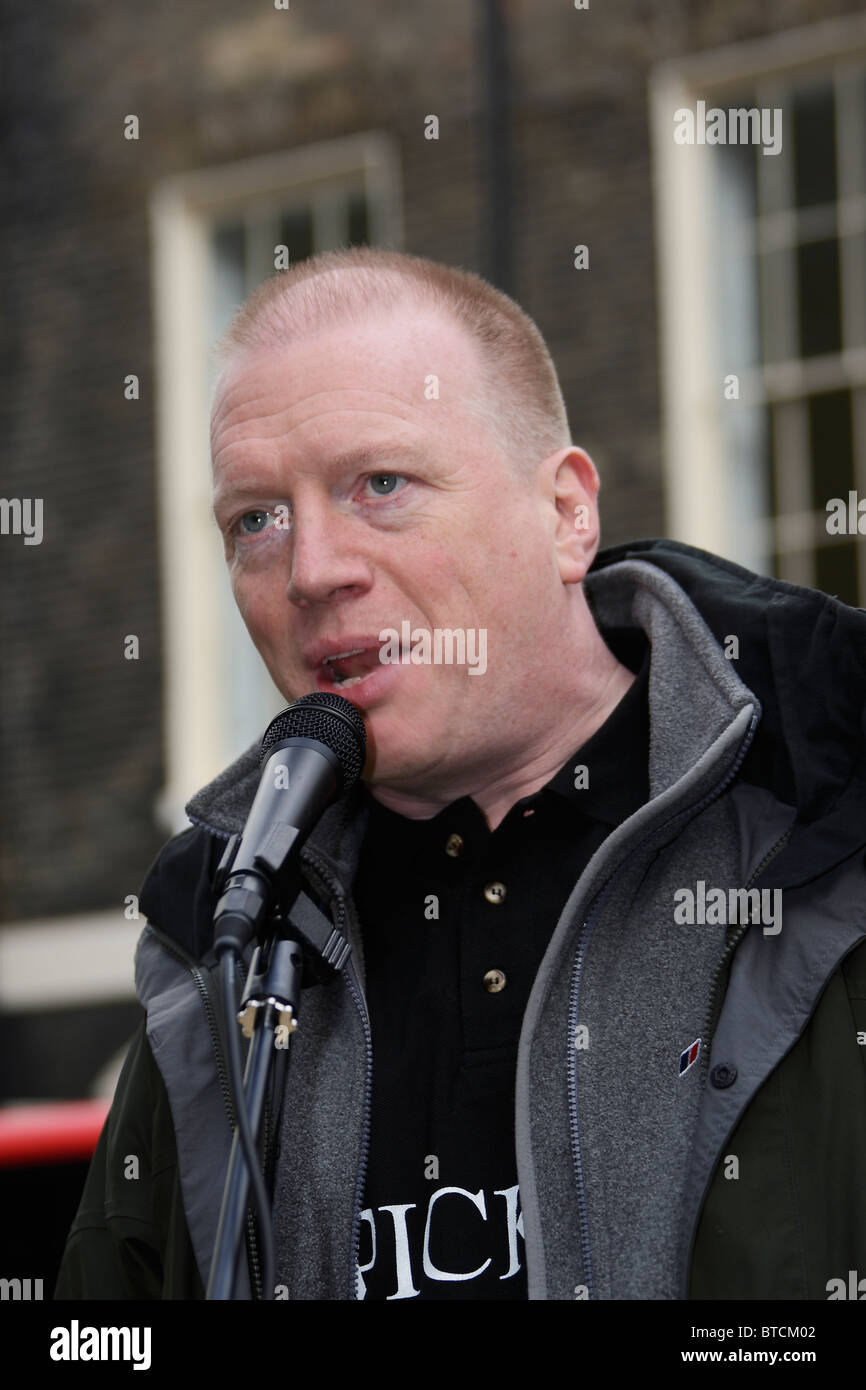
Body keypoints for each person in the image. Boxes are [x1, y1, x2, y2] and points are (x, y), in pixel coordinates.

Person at [55, 247, 866, 1301]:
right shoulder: (224, 946)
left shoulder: (821, 831)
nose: (310, 570)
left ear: (566, 514)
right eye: (256, 519)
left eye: (380, 485)